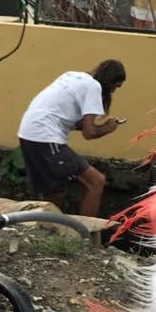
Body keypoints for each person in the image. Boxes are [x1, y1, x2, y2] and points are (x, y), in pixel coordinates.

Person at [17, 60, 126, 218]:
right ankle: (87, 236)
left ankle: (49, 230)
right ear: (111, 81)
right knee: (96, 182)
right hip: (45, 136)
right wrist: (108, 129)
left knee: (55, 191)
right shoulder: (94, 86)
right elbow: (89, 133)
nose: (114, 91)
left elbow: (65, 117)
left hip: (28, 133)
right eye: (117, 86)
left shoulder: (72, 76)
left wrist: (97, 126)